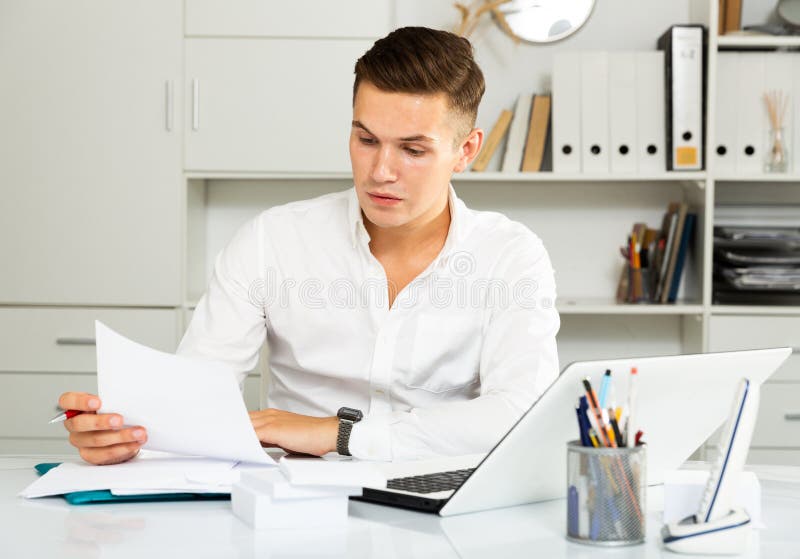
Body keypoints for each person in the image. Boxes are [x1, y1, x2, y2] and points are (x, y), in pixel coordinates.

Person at [58, 26, 560, 466]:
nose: (381, 171)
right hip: (291, 498)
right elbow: (195, 395)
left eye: (412, 149)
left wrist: (340, 435)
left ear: (466, 150)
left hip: (438, 495)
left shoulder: (511, 256)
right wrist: (129, 437)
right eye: (366, 140)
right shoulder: (271, 241)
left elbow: (522, 412)